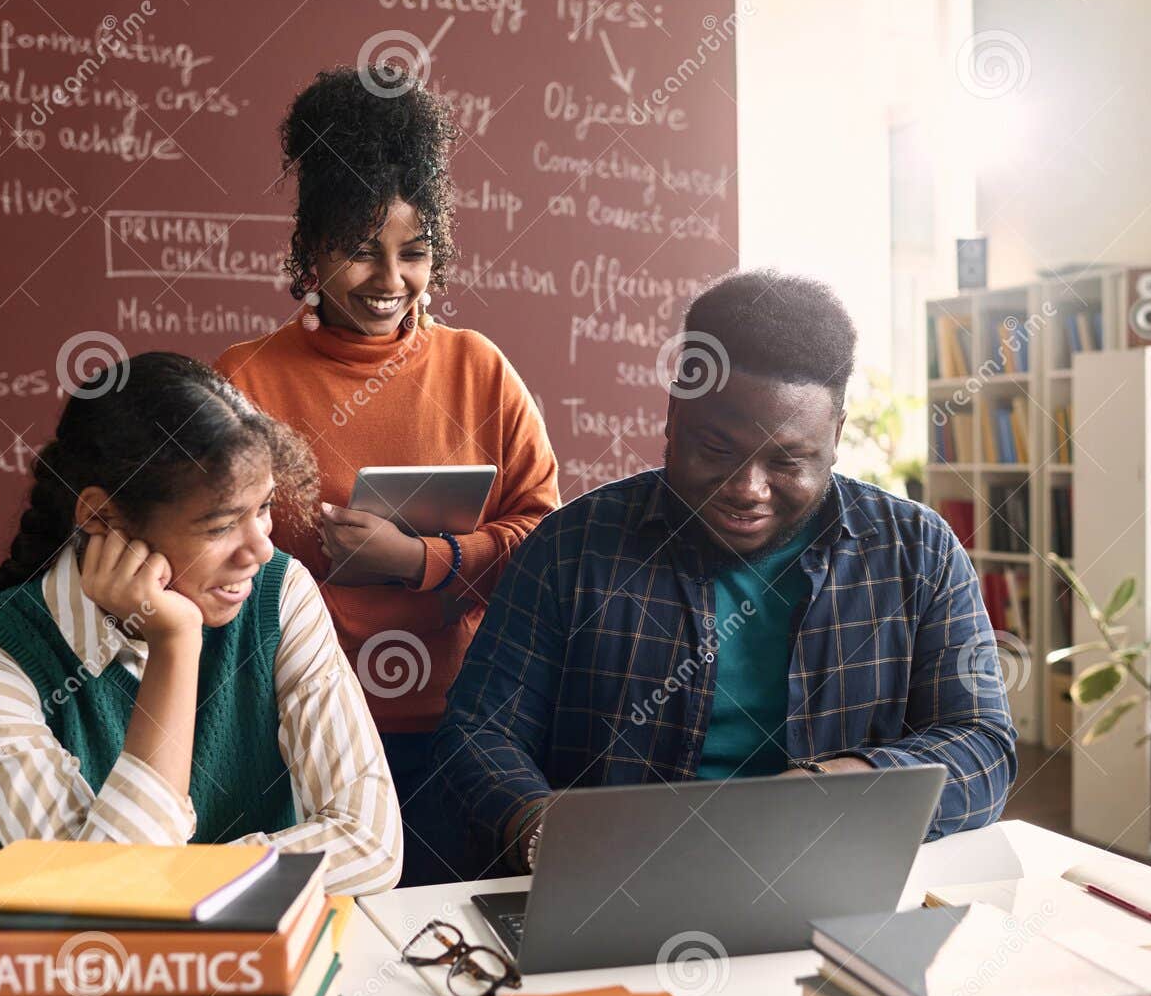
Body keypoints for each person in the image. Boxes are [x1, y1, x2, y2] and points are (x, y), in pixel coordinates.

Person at [432, 270, 1018, 873]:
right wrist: (543, 829)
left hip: (835, 880)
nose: (747, 490)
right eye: (716, 451)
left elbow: (983, 745)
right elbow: (478, 733)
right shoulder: (571, 549)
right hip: (613, 885)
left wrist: (843, 786)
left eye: (788, 461)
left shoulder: (917, 551)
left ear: (836, 437)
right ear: (673, 418)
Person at [217, 67, 559, 885]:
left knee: (445, 955)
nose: (390, 281)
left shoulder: (479, 370)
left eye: (415, 254)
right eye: (360, 251)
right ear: (312, 249)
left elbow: (546, 543)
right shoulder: (245, 379)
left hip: (460, 734)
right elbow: (209, 554)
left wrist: (419, 561)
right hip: (297, 738)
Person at [0, 352, 401, 895]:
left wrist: (174, 888)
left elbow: (370, 844)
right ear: (101, 517)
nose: (260, 548)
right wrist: (176, 646)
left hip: (257, 961)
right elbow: (101, 901)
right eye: (223, 525)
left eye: (264, 508)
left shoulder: (280, 594)